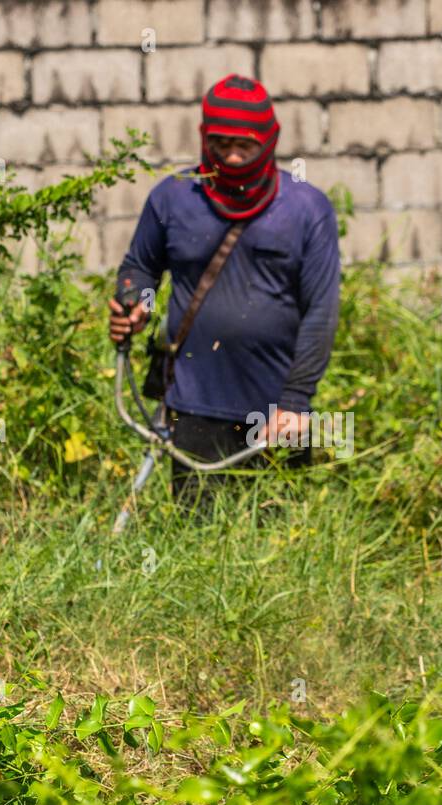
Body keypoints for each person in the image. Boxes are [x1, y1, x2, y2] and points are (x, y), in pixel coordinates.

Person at [109, 74, 341, 507]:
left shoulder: (307, 210)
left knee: (280, 548)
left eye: (246, 146)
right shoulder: (174, 198)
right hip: (195, 404)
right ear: (204, 138)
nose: (233, 157)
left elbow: (321, 312)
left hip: (277, 412)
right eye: (221, 144)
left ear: (270, 141)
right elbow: (140, 269)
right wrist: (135, 304)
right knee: (198, 541)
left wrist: (295, 402)